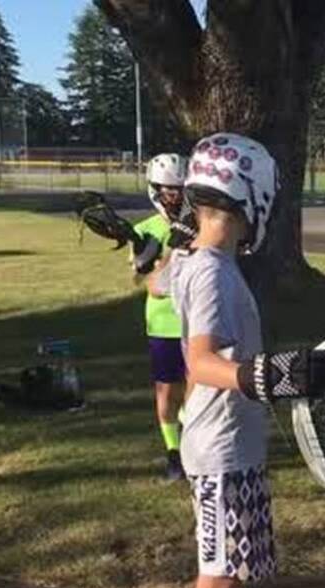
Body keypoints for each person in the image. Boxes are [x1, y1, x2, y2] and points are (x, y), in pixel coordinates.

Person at [156, 132, 317, 588]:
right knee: (215, 580)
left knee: (231, 574)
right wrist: (266, 376)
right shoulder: (213, 274)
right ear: (252, 198)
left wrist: (174, 250)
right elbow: (198, 362)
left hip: (231, 443)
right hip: (219, 446)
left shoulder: (202, 264)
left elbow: (159, 283)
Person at [134, 153, 189, 481]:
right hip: (164, 323)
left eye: (181, 189)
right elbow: (147, 283)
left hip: (196, 320)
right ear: (155, 190)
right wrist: (161, 255)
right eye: (169, 190)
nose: (176, 196)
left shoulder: (198, 222)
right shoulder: (146, 230)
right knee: (168, 391)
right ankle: (173, 453)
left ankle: (195, 445)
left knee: (197, 390)